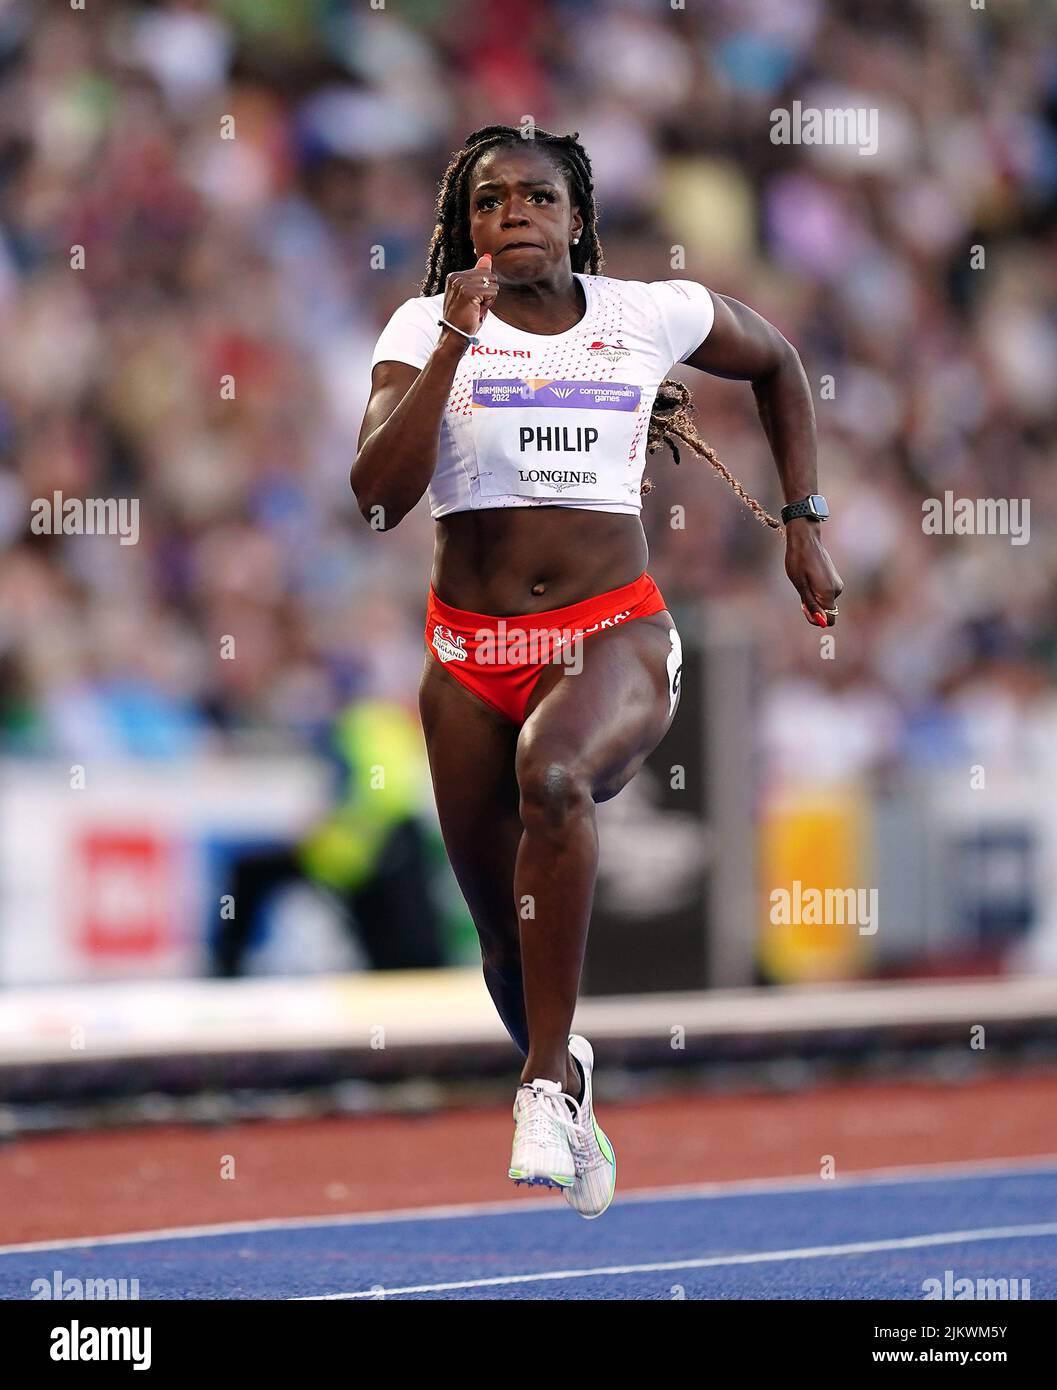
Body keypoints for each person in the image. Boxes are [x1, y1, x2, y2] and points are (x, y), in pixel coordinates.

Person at [353, 125, 842, 1218]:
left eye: (536, 196)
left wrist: (801, 522)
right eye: (488, 202)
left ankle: (538, 1085)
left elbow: (776, 361)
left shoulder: (647, 314)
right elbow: (378, 498)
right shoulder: (422, 327)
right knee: (498, 946)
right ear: (462, 228)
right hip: (469, 659)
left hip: (610, 631)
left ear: (577, 216)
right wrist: (451, 351)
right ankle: (565, 1070)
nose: (512, 214)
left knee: (557, 776)